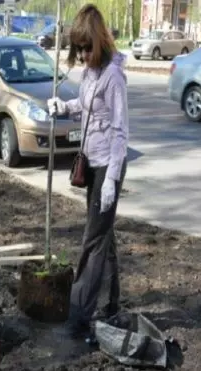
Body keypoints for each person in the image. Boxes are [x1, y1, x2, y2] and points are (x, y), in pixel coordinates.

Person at [47, 4, 128, 345]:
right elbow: (87, 105)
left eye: (85, 47)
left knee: (92, 241)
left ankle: (78, 318)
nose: (80, 54)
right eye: (77, 49)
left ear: (98, 42)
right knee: (103, 236)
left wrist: (111, 178)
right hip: (91, 163)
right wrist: (64, 107)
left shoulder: (113, 76)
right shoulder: (90, 72)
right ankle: (112, 304)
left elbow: (122, 130)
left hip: (109, 165)